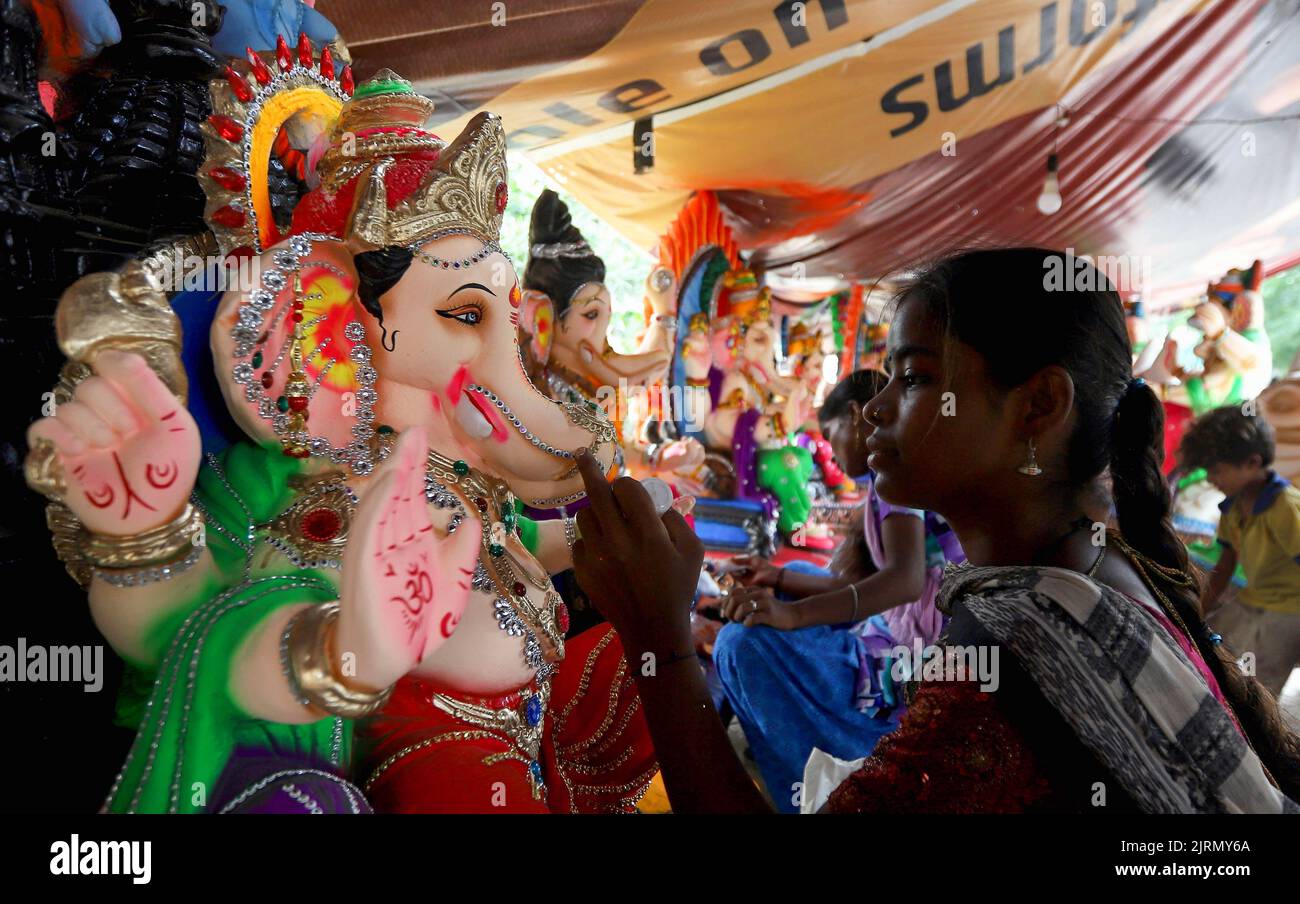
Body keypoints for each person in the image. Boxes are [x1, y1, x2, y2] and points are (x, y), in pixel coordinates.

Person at [568, 247, 1300, 814]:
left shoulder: (1020, 642)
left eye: (915, 379)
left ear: (1038, 405)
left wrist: (658, 638)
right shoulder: (1093, 574)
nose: (875, 408)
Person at [713, 369, 965, 810]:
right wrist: (776, 578)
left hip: (918, 652)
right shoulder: (909, 465)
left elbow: (903, 583)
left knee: (741, 644)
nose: (828, 449)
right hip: (924, 634)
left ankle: (813, 788)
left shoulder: (897, 471)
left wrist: (792, 615)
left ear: (855, 414)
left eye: (829, 436)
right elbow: (872, 587)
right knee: (777, 598)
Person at [1180, 406, 1300, 695]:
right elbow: (1226, 563)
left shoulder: (1285, 507)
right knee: (1211, 653)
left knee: (1260, 688)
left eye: (1216, 470)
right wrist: (1199, 611)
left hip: (1289, 612)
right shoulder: (1231, 506)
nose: (1210, 479)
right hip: (1253, 599)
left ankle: (1254, 735)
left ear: (1252, 462)